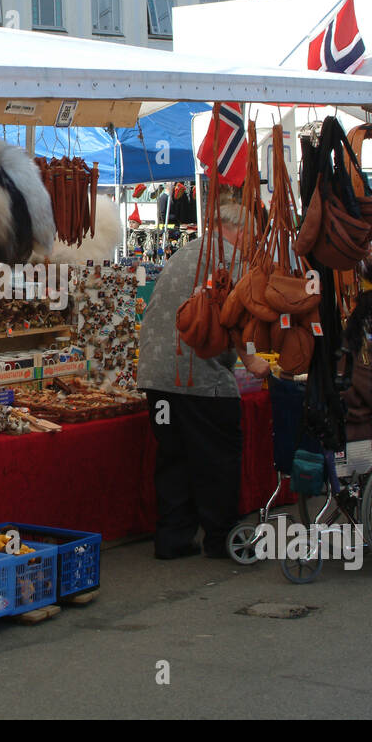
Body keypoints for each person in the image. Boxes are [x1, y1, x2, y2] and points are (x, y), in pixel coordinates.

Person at [137, 186, 268, 559]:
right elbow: (239, 320)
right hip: (199, 378)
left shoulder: (185, 251)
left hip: (156, 377)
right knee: (217, 458)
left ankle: (173, 538)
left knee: (173, 456)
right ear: (239, 231)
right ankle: (221, 538)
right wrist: (255, 361)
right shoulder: (230, 258)